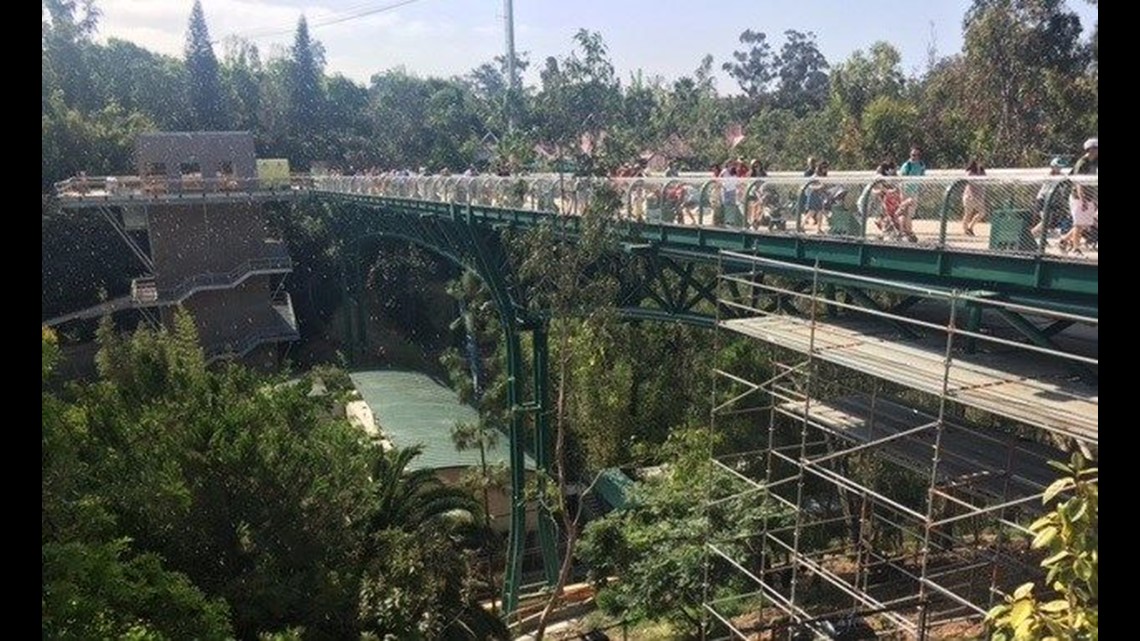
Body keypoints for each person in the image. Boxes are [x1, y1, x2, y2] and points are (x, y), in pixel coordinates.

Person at [1059, 137, 1098, 254]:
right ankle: (1076, 249)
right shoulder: (1082, 163)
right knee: (1079, 224)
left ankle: (1063, 240)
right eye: (1096, 148)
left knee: (1084, 224)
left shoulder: (1095, 161)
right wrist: (1083, 200)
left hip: (1090, 196)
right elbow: (1077, 182)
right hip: (1078, 197)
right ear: (1090, 149)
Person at [1029, 157, 1066, 240]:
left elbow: (1062, 188)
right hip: (1042, 199)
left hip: (1051, 200)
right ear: (1052, 166)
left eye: (1060, 167)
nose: (1059, 168)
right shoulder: (1048, 175)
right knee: (1045, 220)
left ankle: (1036, 235)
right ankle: (1031, 235)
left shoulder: (1062, 176)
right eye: (1057, 167)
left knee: (1049, 221)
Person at [961, 159, 987, 236]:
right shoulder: (970, 173)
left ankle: (971, 227)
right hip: (969, 196)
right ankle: (966, 230)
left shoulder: (983, 172)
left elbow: (984, 181)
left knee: (982, 213)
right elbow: (970, 183)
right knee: (968, 214)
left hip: (979, 197)